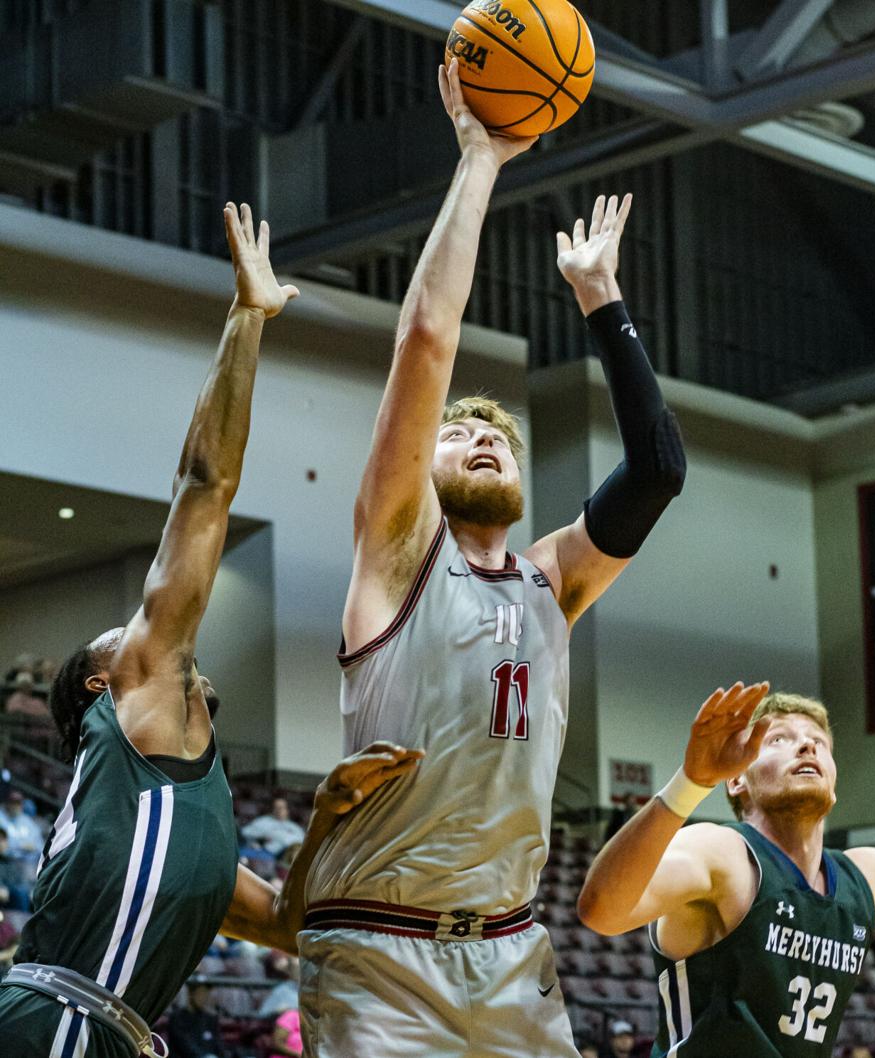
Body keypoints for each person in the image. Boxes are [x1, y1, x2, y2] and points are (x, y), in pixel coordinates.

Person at [299, 59, 686, 1058]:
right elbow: (427, 339)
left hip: (515, 952)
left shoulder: (554, 580)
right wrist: (480, 158)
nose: (481, 437)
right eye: (457, 435)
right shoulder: (396, 553)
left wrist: (603, 300)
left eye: (500, 437)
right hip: (381, 948)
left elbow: (657, 469)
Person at [0, 203, 425, 1058]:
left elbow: (285, 922)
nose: (148, 625)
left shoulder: (182, 802)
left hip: (101, 1033)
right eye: (122, 630)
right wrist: (246, 317)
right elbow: (205, 483)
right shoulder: (137, 702)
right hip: (58, 1021)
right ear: (101, 683)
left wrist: (331, 820)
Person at [578, 686, 875, 1057]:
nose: (806, 747)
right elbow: (603, 910)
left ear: (833, 777)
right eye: (780, 739)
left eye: (818, 742)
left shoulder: (866, 877)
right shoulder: (722, 852)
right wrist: (690, 783)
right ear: (736, 779)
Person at [166, 981, 226, 1058]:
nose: (204, 998)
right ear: (191, 994)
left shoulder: (210, 1019)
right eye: (201, 993)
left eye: (206, 994)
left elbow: (218, 1045)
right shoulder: (178, 1018)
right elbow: (185, 1046)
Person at [241, 797, 306, 857]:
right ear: (272, 809)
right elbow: (245, 832)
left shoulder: (295, 827)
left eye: (282, 808)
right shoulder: (263, 821)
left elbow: (302, 843)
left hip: (286, 856)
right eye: (276, 807)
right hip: (264, 853)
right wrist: (262, 836)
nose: (279, 810)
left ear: (287, 810)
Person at [0, 789, 44, 862]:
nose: (15, 806)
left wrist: (33, 848)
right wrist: (21, 846)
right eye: (12, 802)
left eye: (18, 803)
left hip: (27, 864)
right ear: (7, 802)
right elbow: (2, 848)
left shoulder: (28, 822)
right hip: (5, 862)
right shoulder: (1, 818)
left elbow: (40, 847)